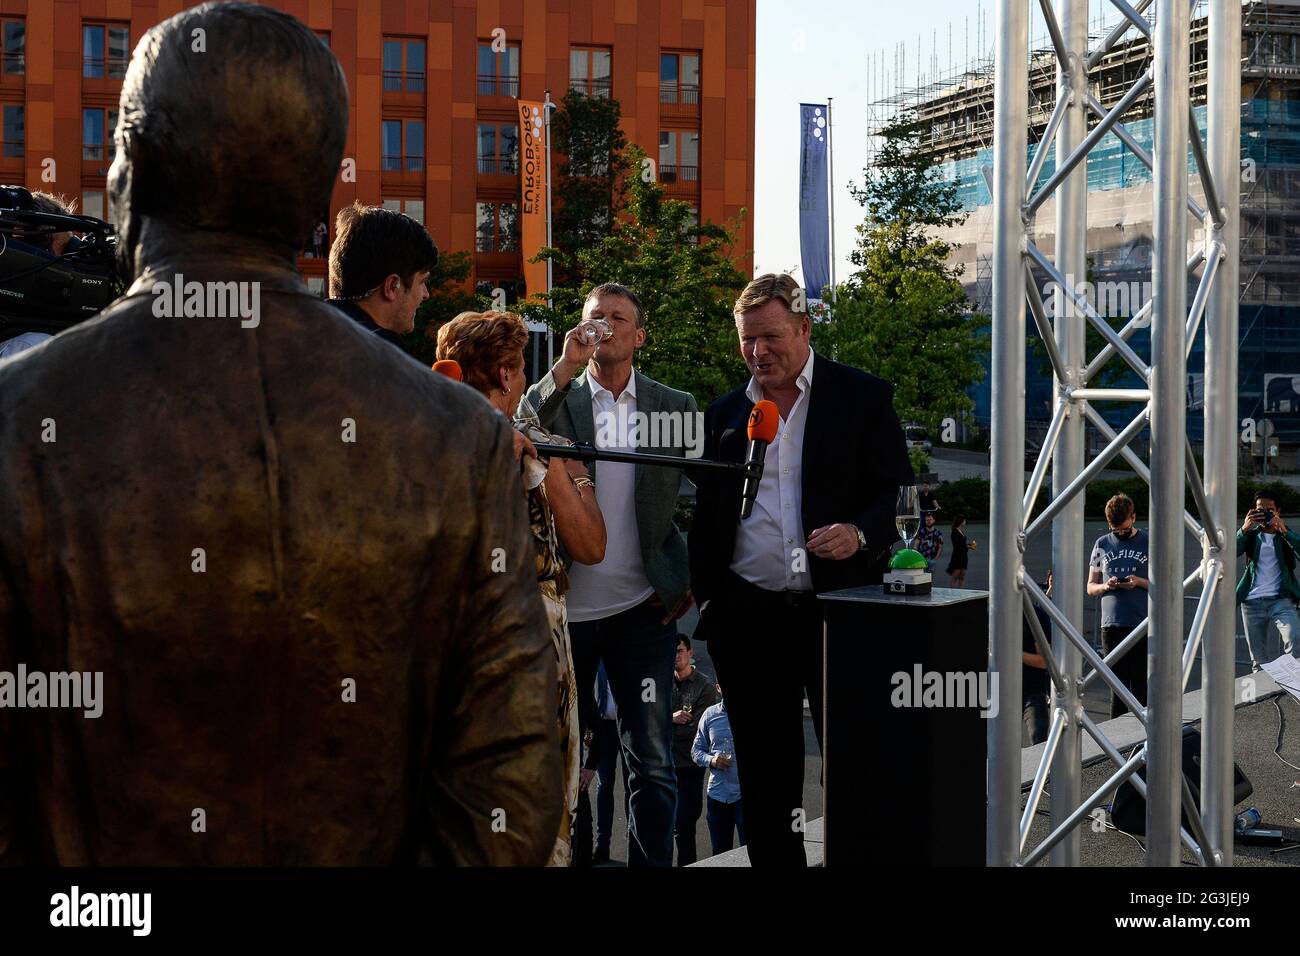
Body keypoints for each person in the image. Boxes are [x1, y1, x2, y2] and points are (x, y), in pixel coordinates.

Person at [0, 2, 562, 866]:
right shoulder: (456, 436)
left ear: (137, 166)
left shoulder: (16, 419)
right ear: (313, 191)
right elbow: (511, 772)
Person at [689, 273, 913, 866]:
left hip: (840, 616)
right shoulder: (723, 416)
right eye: (746, 341)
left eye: (770, 337)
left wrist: (861, 531)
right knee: (765, 779)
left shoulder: (861, 397)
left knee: (856, 765)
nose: (758, 352)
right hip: (749, 620)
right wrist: (710, 602)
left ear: (805, 329)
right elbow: (708, 521)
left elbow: (900, 493)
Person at [520, 282, 699, 868]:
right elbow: (518, 425)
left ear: (639, 335)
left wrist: (690, 573)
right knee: (565, 757)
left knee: (650, 759)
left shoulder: (673, 406)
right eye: (596, 317)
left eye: (619, 318)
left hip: (642, 610)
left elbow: (706, 495)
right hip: (565, 609)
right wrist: (565, 366)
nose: (606, 326)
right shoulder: (563, 397)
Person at [436, 310, 607, 866]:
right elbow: (590, 545)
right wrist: (571, 472)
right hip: (532, 642)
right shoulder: (534, 443)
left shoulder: (426, 435)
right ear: (509, 374)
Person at [326, 201, 436, 347]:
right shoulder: (382, 356)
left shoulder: (297, 331)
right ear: (392, 286)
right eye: (422, 282)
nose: (426, 294)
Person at [1087, 493, 1150, 720]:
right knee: (1118, 688)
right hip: (1112, 625)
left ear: (1133, 518)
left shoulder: (1148, 541)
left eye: (1124, 529)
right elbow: (1090, 586)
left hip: (1142, 623)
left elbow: (1163, 585)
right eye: (1116, 530)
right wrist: (1105, 586)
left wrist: (1139, 582)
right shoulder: (1101, 544)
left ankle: (1143, 737)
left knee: (1141, 686)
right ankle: (1117, 741)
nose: (1120, 534)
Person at [1236, 492, 1300, 667]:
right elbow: (1229, 553)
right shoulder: (1250, 535)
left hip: (1281, 600)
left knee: (1295, 640)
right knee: (1258, 660)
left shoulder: (1286, 535)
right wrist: (1244, 529)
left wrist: (1284, 531)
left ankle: (1293, 687)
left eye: (1269, 510)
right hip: (1251, 602)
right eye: (1260, 510)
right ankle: (1261, 693)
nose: (1264, 514)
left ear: (1278, 511)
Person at [670, 634, 717, 866]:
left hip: (690, 766)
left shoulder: (705, 686)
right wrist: (671, 719)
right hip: (666, 764)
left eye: (679, 650)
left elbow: (698, 731)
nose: (675, 655)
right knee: (663, 826)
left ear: (690, 653)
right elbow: (648, 723)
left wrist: (663, 726)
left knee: (685, 825)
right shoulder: (660, 682)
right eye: (672, 651)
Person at [692, 682, 744, 856]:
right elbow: (696, 751)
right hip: (718, 794)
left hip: (742, 795)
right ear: (718, 688)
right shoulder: (710, 714)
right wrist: (711, 760)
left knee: (748, 851)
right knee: (720, 853)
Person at [1023, 569, 1053, 746]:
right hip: (998, 689)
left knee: (1039, 745)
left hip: (1032, 690)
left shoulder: (1036, 616)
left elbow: (1043, 662)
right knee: (993, 747)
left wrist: (1012, 654)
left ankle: (1043, 774)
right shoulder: (992, 613)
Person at [947, 515, 973, 587]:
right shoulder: (954, 532)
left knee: (962, 576)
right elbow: (957, 546)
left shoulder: (961, 531)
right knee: (955, 576)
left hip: (964, 555)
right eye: (964, 520)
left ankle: (962, 593)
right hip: (957, 556)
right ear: (960, 521)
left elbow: (962, 543)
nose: (965, 522)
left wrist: (969, 545)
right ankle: (951, 593)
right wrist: (968, 546)